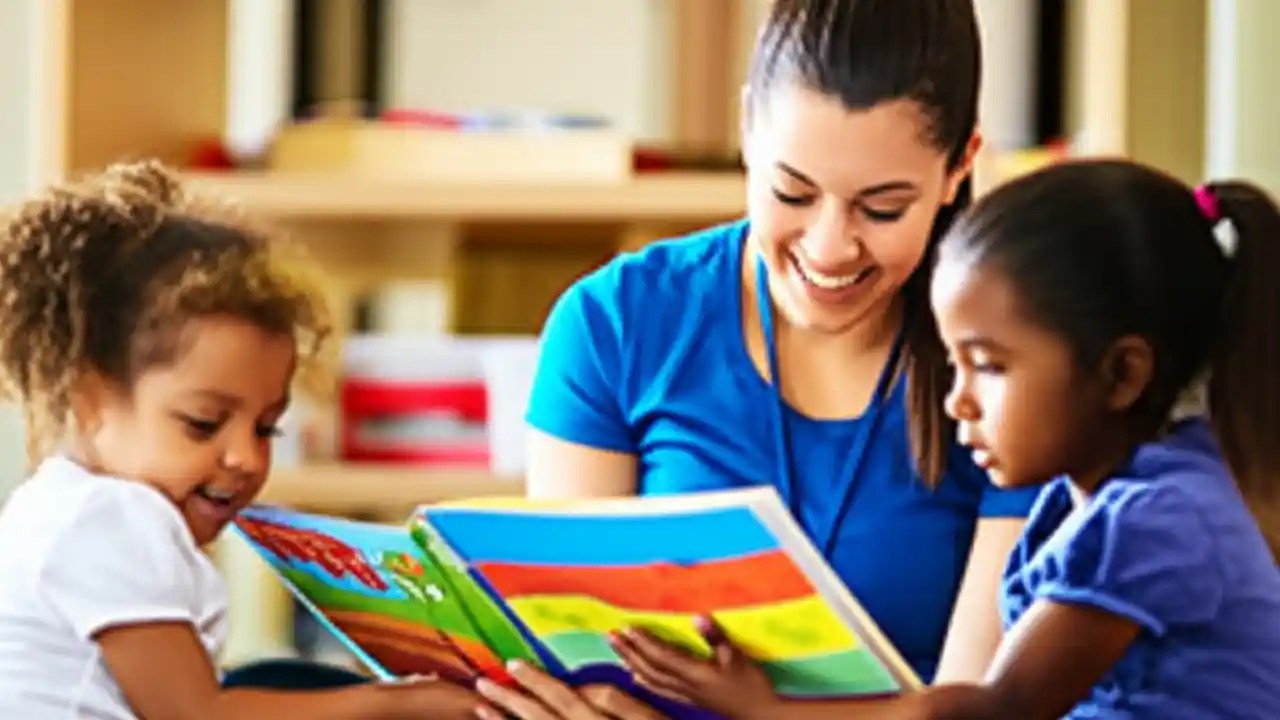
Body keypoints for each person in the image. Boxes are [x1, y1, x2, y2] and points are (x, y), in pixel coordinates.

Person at [599, 159, 1280, 718]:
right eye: (953, 363)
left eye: (988, 365)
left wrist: (766, 711)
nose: (957, 400)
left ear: (1123, 373)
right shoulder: (1079, 508)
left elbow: (995, 710)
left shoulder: (1162, 515)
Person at [516, 0, 1037, 708]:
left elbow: (980, 708)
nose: (828, 248)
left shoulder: (1012, 365)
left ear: (959, 168)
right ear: (746, 131)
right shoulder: (616, 324)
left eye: (882, 209)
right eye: (793, 191)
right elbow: (576, 666)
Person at [0, 161, 489, 719]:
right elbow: (197, 716)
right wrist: (395, 704)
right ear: (88, 397)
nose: (245, 458)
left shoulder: (65, 505)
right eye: (202, 423)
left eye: (266, 427)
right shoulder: (109, 516)